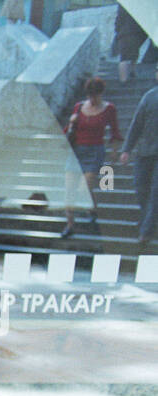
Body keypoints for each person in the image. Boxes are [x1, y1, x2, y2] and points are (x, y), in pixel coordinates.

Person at [62, 77, 122, 238]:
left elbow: (115, 132)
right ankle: (70, 225)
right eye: (89, 95)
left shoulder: (109, 109)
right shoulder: (79, 107)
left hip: (95, 151)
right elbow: (67, 131)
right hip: (76, 152)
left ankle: (92, 209)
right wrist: (71, 122)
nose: (92, 99)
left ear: (101, 93)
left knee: (85, 188)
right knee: (69, 190)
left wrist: (114, 152)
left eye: (95, 95)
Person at [122, 66, 158, 245]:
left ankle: (146, 231)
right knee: (140, 188)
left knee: (155, 193)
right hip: (145, 151)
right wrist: (126, 149)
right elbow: (136, 124)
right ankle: (148, 219)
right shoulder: (149, 96)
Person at [116, 6, 145, 85]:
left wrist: (118, 31)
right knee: (134, 55)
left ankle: (123, 80)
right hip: (136, 34)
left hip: (125, 33)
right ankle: (132, 72)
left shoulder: (124, 6)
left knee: (124, 58)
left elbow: (119, 20)